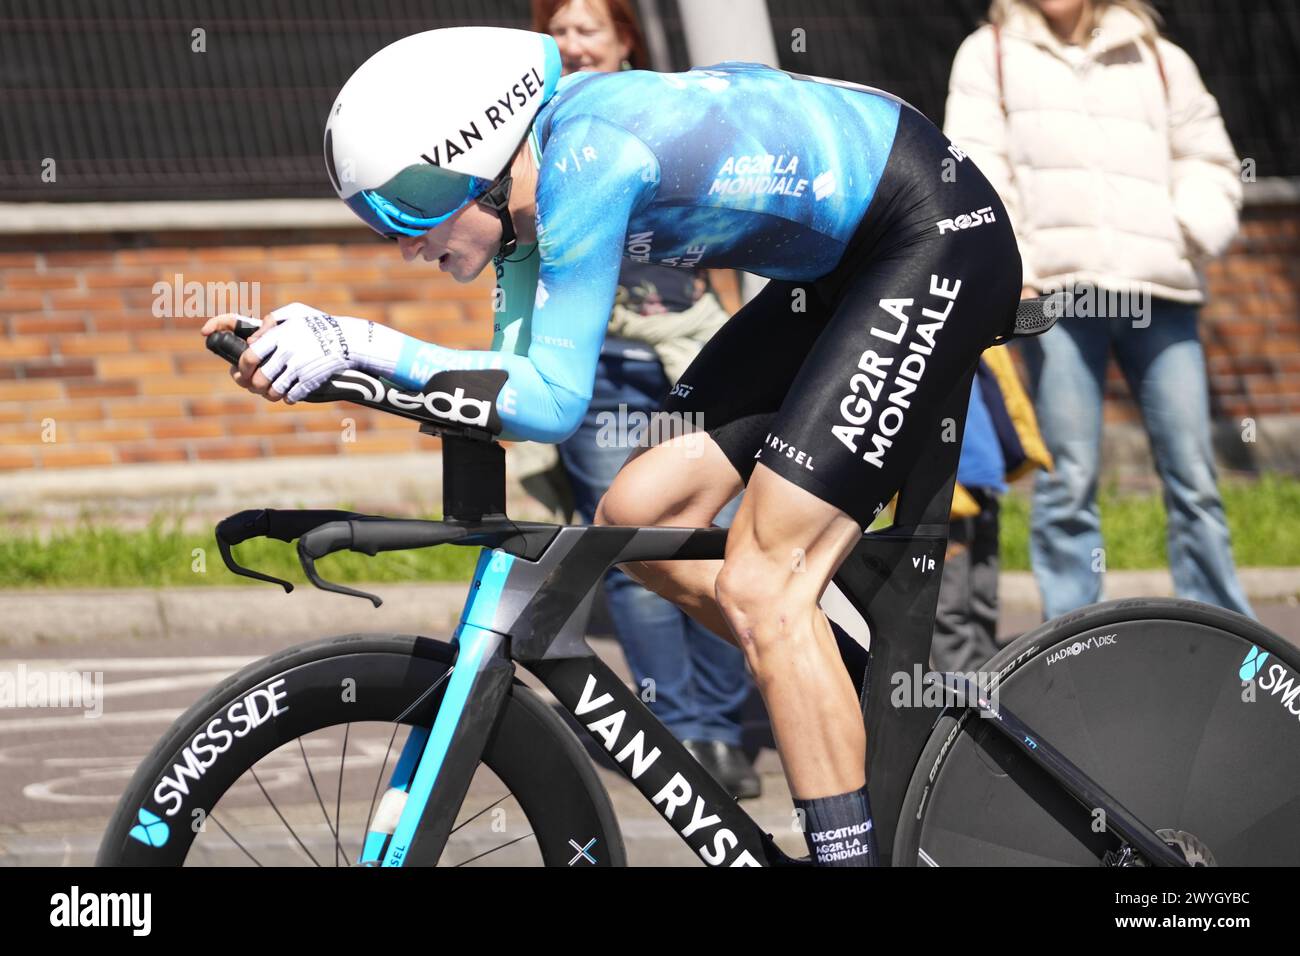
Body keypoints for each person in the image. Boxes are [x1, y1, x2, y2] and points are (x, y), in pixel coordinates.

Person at [204, 26, 1022, 866]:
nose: (406, 242)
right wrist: (339, 371)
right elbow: (507, 388)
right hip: (844, 272)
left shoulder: (586, 160)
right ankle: (843, 681)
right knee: (640, 518)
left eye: (411, 203)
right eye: (379, 223)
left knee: (763, 582)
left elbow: (553, 402)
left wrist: (360, 344)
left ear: (477, 157)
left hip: (934, 237)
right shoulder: (523, 205)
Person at [944, 0, 1253, 621]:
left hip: (1158, 292)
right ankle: (1072, 640)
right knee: (1069, 478)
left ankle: (1225, 635)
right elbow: (977, 172)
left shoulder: (1159, 57)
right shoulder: (991, 54)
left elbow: (1213, 162)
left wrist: (1186, 229)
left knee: (1194, 475)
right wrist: (1018, 271)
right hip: (1058, 295)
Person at [526, 0, 759, 799]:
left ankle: (728, 729)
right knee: (625, 548)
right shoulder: (543, 129)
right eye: (557, 30)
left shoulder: (667, 106)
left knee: (714, 532)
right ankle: (682, 729)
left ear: (625, 35)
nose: (570, 42)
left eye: (586, 26)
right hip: (601, 361)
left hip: (694, 350)